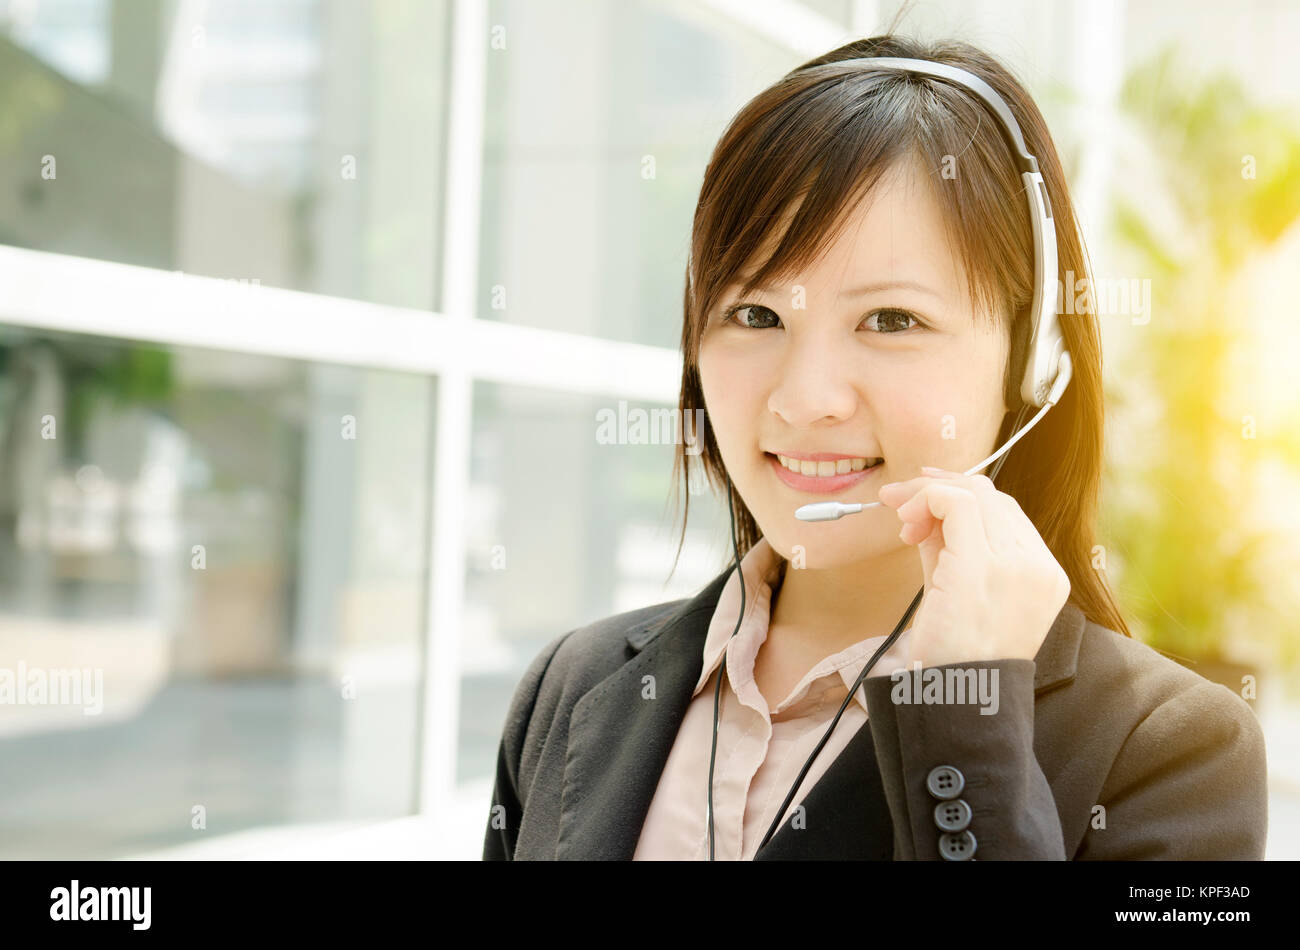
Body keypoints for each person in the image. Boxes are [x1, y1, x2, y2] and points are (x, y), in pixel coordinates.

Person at [482, 33, 1267, 861]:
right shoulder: (571, 688)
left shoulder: (1175, 753)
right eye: (756, 316)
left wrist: (961, 714)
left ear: (1030, 363)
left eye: (892, 321)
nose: (805, 399)